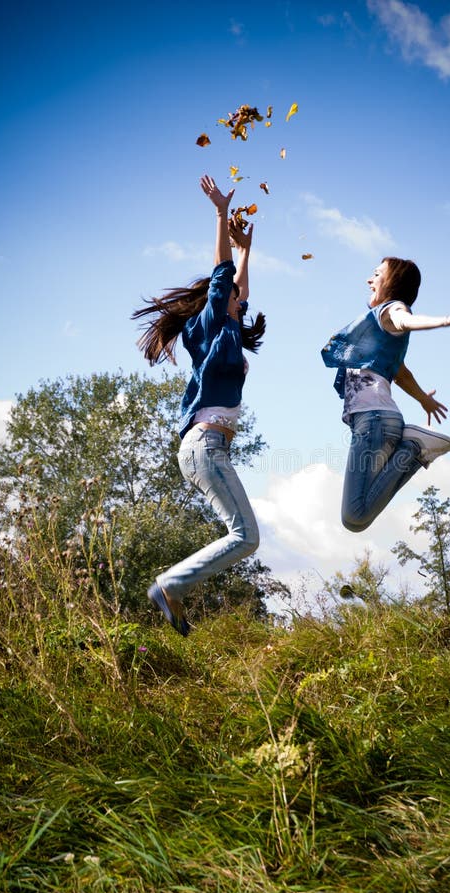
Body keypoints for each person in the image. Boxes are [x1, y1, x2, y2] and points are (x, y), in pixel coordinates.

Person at [132, 174, 266, 635]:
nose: (240, 300)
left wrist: (246, 249)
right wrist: (220, 214)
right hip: (205, 445)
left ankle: (173, 588)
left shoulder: (227, 325)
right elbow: (223, 280)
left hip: (205, 448)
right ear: (218, 298)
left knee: (244, 536)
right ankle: (170, 586)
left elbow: (237, 288)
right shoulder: (212, 323)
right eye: (232, 295)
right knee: (246, 537)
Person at [322, 256, 450, 532]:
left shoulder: (391, 310)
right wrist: (423, 399)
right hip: (377, 420)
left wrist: (447, 321)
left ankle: (413, 447)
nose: (369, 280)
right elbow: (400, 372)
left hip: (373, 420)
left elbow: (407, 320)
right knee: (356, 517)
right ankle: (412, 446)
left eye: (376, 274)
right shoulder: (378, 332)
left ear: (392, 282)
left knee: (355, 516)